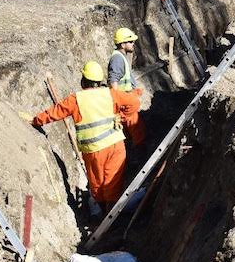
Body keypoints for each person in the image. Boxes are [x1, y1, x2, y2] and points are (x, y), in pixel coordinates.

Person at [27, 61, 139, 212]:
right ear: (100, 81)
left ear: (83, 80)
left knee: (97, 185)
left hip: (93, 151)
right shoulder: (111, 94)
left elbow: (55, 112)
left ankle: (104, 216)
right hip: (115, 146)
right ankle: (111, 218)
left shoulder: (76, 99)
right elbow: (133, 102)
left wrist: (35, 120)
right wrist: (122, 116)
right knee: (112, 183)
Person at [108, 27, 146, 147]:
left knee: (135, 128)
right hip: (125, 102)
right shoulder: (117, 59)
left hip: (127, 99)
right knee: (134, 129)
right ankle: (138, 152)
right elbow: (113, 82)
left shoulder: (121, 57)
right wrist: (117, 104)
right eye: (130, 42)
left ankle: (137, 147)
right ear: (122, 44)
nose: (133, 44)